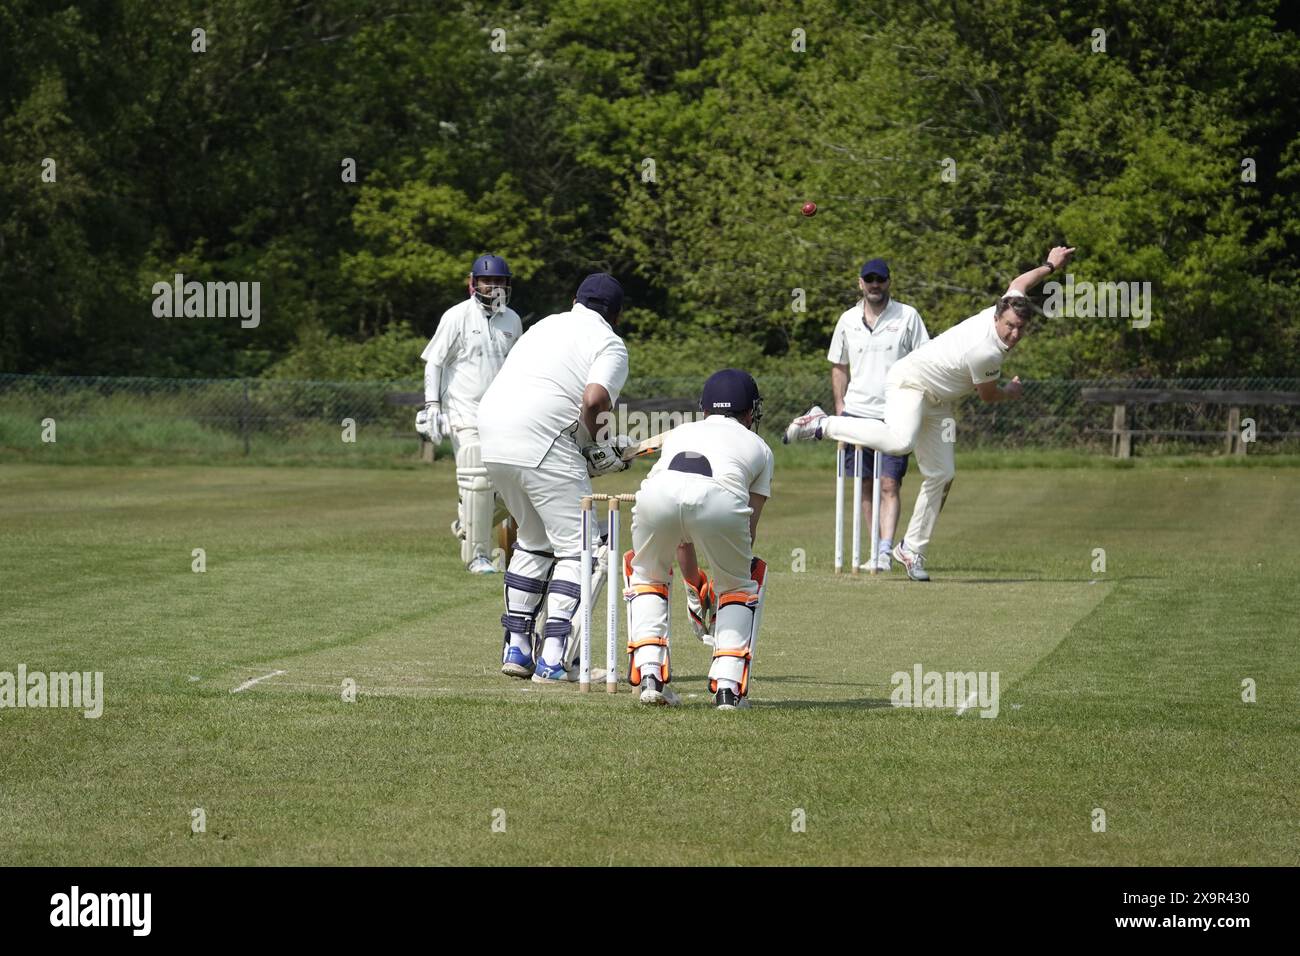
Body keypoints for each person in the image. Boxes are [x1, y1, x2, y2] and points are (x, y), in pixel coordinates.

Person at [786, 245, 1077, 581]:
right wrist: (1010, 393)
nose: (1013, 335)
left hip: (938, 401)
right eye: (1009, 326)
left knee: (942, 474)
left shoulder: (1007, 302)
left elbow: (1019, 282)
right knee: (898, 441)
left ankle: (910, 548)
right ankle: (822, 423)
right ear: (997, 316)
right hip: (910, 381)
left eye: (1020, 330)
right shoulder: (986, 353)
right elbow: (988, 395)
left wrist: (1049, 266)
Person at [477, 273, 632, 682]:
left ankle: (518, 647)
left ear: (574, 299)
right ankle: (555, 656)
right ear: (616, 315)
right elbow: (594, 398)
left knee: (534, 540)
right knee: (587, 551)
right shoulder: (609, 342)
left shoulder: (545, 324)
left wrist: (585, 448)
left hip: (491, 434)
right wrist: (598, 444)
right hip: (544, 438)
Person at [626, 369, 773, 709]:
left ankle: (651, 677)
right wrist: (722, 582)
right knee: (740, 584)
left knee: (647, 575)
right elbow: (746, 532)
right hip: (719, 500)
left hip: (655, 497)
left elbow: (681, 525)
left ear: (705, 409)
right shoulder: (761, 448)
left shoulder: (682, 432)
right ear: (750, 411)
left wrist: (694, 582)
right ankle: (728, 689)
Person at [417, 254, 522, 574]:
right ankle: (477, 555)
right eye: (489, 281)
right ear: (473, 283)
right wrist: (432, 406)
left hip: (501, 415)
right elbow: (435, 361)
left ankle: (467, 523)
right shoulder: (456, 317)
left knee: (513, 482)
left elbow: (519, 369)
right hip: (462, 411)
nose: (495, 287)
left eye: (501, 281)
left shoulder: (513, 320)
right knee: (477, 478)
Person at [828, 257, 929, 571]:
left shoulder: (908, 316)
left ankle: (885, 550)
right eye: (869, 279)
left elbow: (925, 360)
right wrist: (840, 407)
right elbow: (839, 365)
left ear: (889, 282)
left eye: (880, 279)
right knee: (864, 484)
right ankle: (875, 548)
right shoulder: (847, 320)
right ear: (860, 283)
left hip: (895, 415)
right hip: (856, 414)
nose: (875, 285)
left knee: (889, 484)